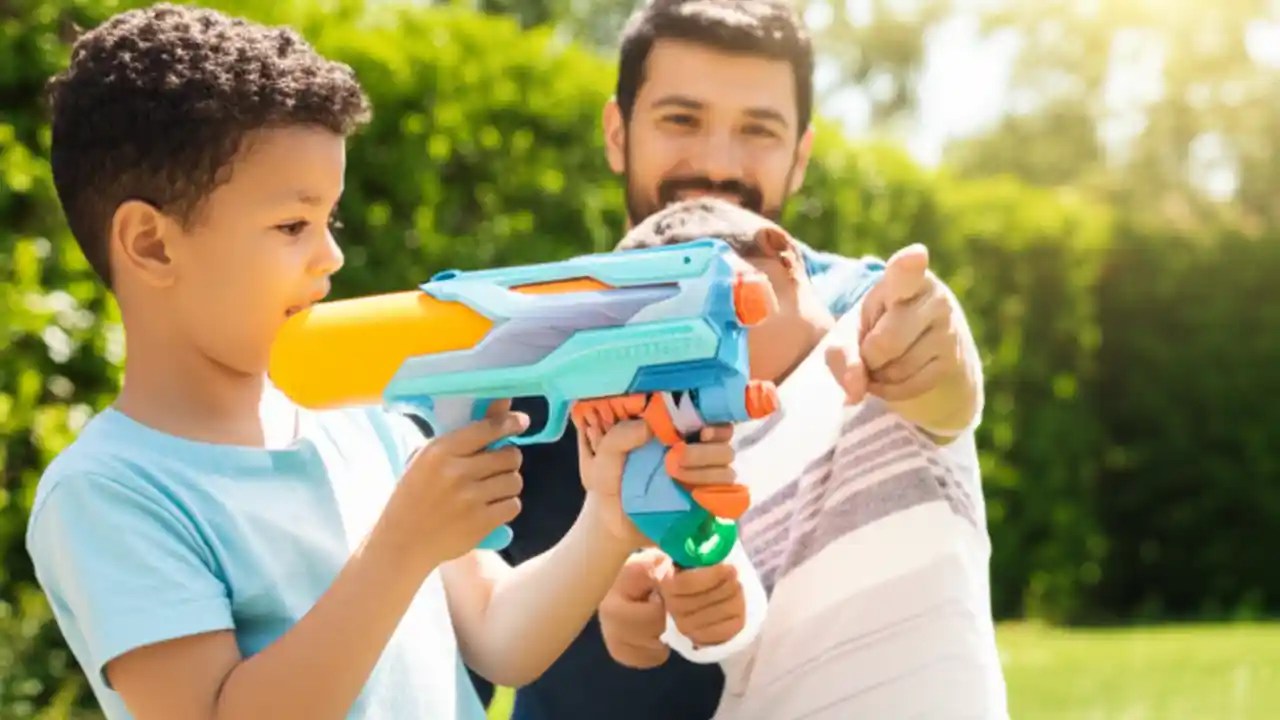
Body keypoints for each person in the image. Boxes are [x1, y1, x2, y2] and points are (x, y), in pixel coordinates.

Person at [22, 6, 741, 720]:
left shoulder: (365, 423)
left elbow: (497, 635)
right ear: (151, 244)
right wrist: (401, 547)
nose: (331, 256)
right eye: (292, 225)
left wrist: (607, 519)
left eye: (328, 220)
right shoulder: (109, 490)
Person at [493, 1, 987, 718]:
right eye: (681, 119)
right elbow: (455, 639)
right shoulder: (520, 352)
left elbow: (942, 387)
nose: (719, 166)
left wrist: (935, 360)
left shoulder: (862, 316)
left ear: (801, 155)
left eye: (759, 130)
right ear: (617, 132)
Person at [601, 197, 1007, 719]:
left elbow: (948, 393)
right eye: (660, 342)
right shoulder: (694, 452)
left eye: (706, 302)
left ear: (782, 254)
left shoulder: (876, 351)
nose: (697, 348)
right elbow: (736, 633)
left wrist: (919, 349)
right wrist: (691, 599)